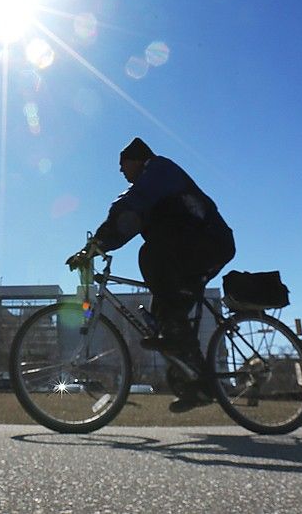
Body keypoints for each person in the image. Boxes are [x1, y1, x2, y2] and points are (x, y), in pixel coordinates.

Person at [67, 137, 235, 412]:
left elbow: (132, 205)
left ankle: (183, 353)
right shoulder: (150, 186)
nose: (121, 172)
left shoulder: (159, 170)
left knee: (151, 255)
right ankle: (199, 386)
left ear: (136, 160)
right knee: (165, 318)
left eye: (123, 166)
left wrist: (95, 245)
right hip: (194, 245)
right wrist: (94, 248)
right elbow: (128, 223)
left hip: (209, 242)